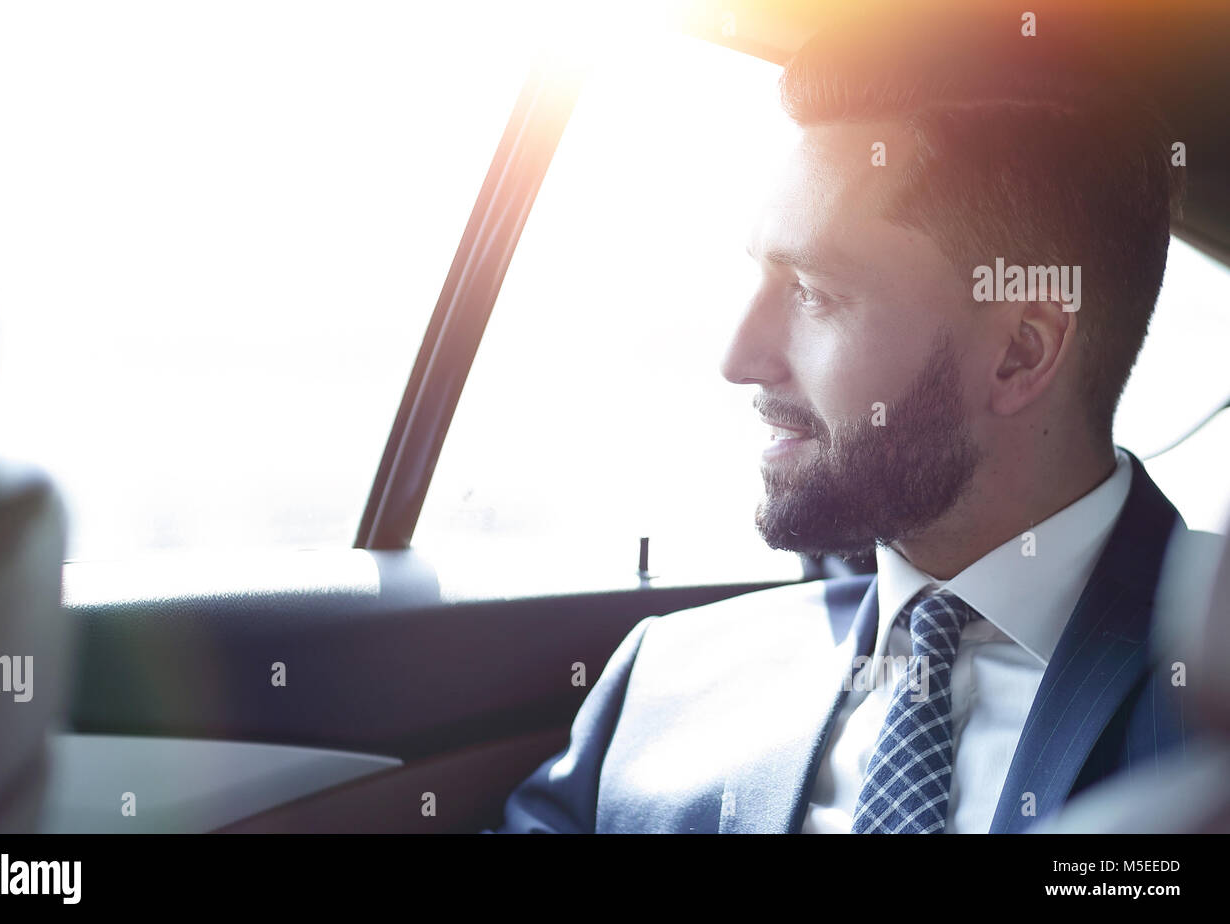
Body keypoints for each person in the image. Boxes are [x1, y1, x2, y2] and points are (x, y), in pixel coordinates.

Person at [492, 7, 1196, 833]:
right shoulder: (663, 682)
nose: (739, 357)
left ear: (1019, 353)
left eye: (815, 294)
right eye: (761, 277)